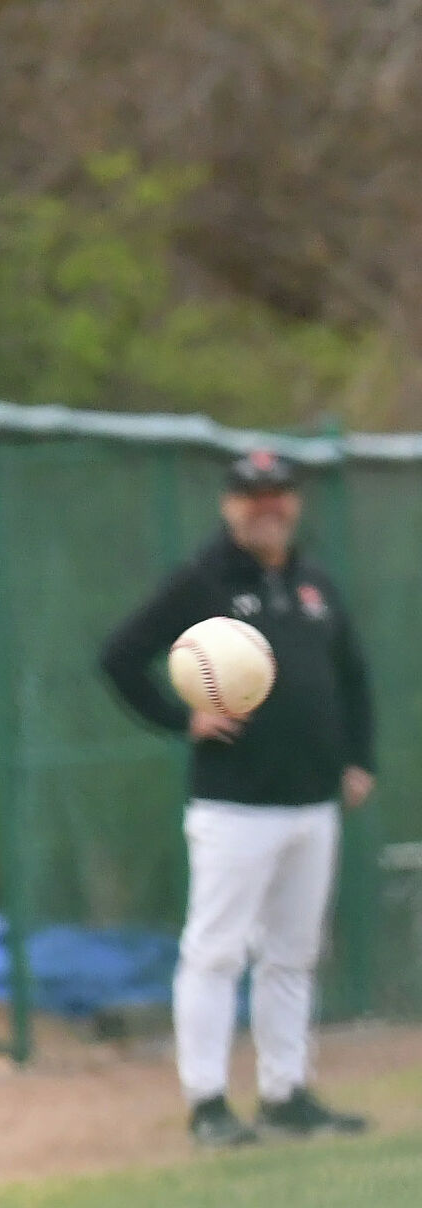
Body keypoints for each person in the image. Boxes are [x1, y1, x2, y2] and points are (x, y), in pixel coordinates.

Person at [100, 449, 374, 1149]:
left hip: (312, 802)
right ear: (230, 504)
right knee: (215, 952)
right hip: (235, 804)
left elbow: (352, 677)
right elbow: (121, 655)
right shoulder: (204, 579)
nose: (267, 505)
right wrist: (178, 718)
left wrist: (357, 759)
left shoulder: (313, 583)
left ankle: (286, 1093)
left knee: (293, 952)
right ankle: (208, 1101)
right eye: (252, 494)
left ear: (295, 502)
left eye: (278, 492)